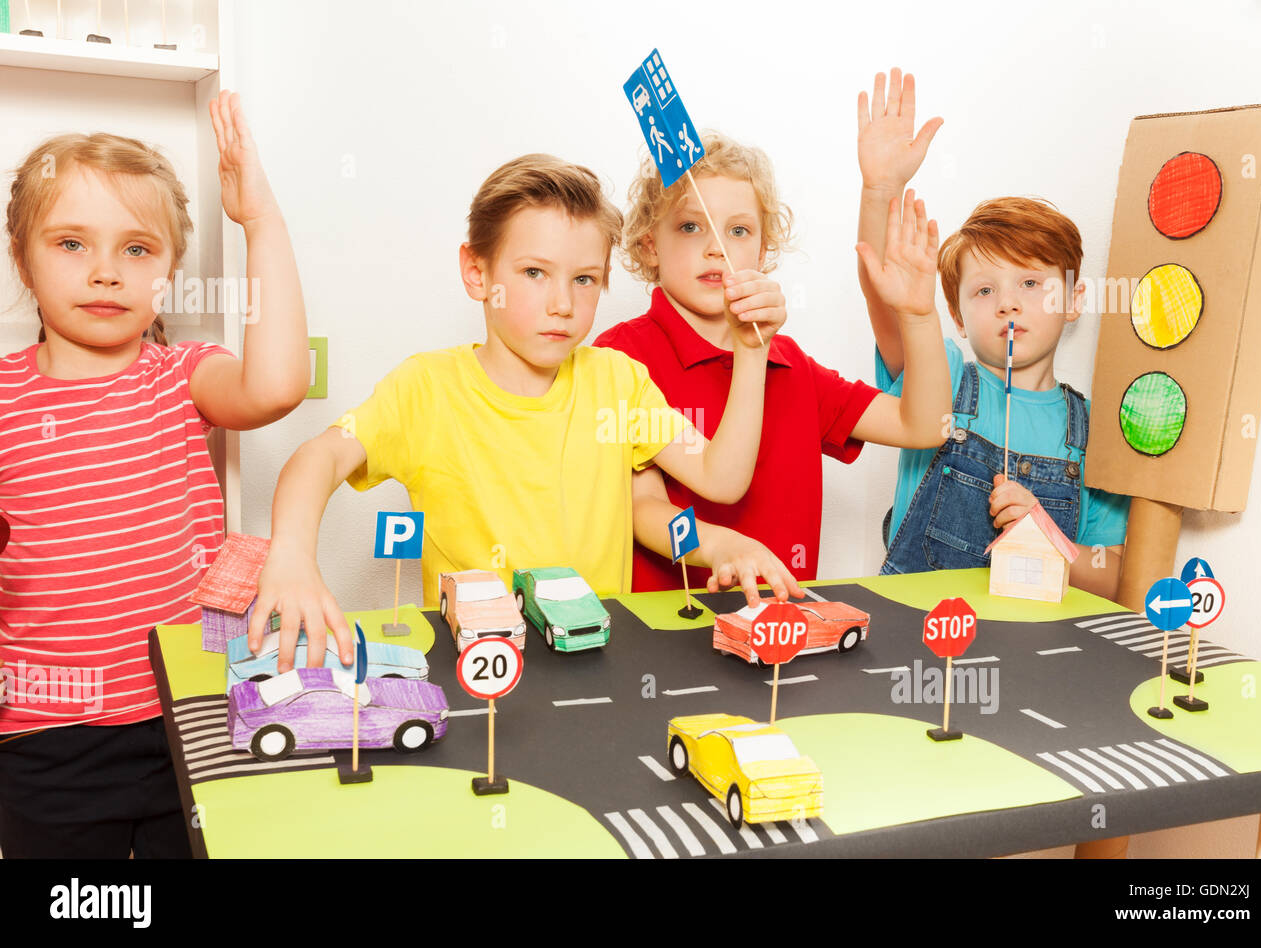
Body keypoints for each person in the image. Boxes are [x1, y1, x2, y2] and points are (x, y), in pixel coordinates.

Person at [249, 154, 804, 669]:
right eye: (535, 273)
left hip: (597, 661)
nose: (562, 303)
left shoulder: (618, 381)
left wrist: (750, 352)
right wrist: (293, 554)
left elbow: (721, 479)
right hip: (472, 668)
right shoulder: (426, 388)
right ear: (477, 273)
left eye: (584, 279)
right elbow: (318, 457)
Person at [0, 91, 309, 857]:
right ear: (22, 260)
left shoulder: (180, 376)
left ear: (169, 272)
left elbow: (276, 385)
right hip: (45, 742)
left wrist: (259, 220)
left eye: (136, 250)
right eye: (72, 243)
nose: (106, 272)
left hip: (189, 714)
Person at [595, 132, 951, 591]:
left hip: (782, 634)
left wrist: (919, 315)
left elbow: (925, 427)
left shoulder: (791, 366)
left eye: (738, 230)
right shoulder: (620, 358)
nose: (716, 249)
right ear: (649, 246)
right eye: (690, 227)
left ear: (762, 252)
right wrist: (720, 546)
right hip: (670, 634)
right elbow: (643, 512)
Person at [857, 69, 1129, 601]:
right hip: (915, 647)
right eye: (983, 291)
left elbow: (1118, 577)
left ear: (1074, 300)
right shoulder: (944, 378)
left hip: (1032, 662)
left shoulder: (1096, 433)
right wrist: (879, 191)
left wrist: (1047, 533)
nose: (1007, 301)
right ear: (956, 317)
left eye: (1030, 282)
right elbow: (886, 299)